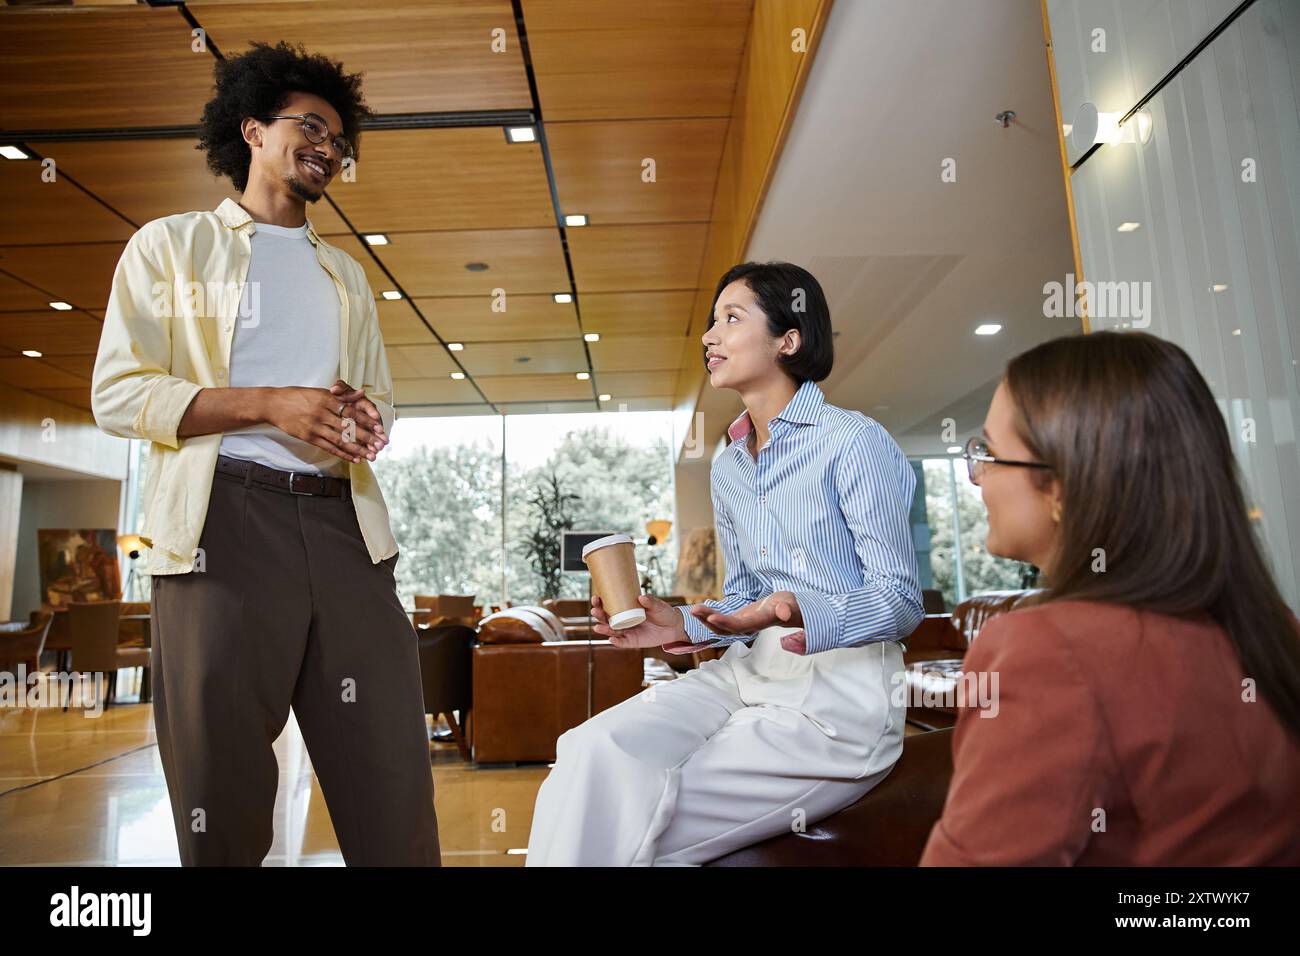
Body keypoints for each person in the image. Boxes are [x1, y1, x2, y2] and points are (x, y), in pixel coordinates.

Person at [91, 41, 439, 866]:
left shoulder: (346, 276)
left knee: (391, 772)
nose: (328, 146)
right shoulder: (170, 249)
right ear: (250, 128)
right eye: (310, 126)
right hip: (222, 529)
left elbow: (380, 395)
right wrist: (269, 403)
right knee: (223, 785)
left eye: (339, 140)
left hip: (345, 533)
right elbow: (117, 394)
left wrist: (362, 419)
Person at [526, 261, 924, 866]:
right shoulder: (730, 463)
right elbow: (742, 593)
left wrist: (797, 609)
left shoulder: (853, 442)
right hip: (744, 676)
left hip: (836, 703)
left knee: (629, 818)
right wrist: (680, 625)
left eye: (731, 319)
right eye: (712, 322)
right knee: (589, 750)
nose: (710, 337)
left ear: (788, 340)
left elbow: (900, 599)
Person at [921, 331, 1300, 865]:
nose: (978, 479)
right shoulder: (1277, 629)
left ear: (1058, 487)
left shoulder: (1048, 651)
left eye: (987, 452)